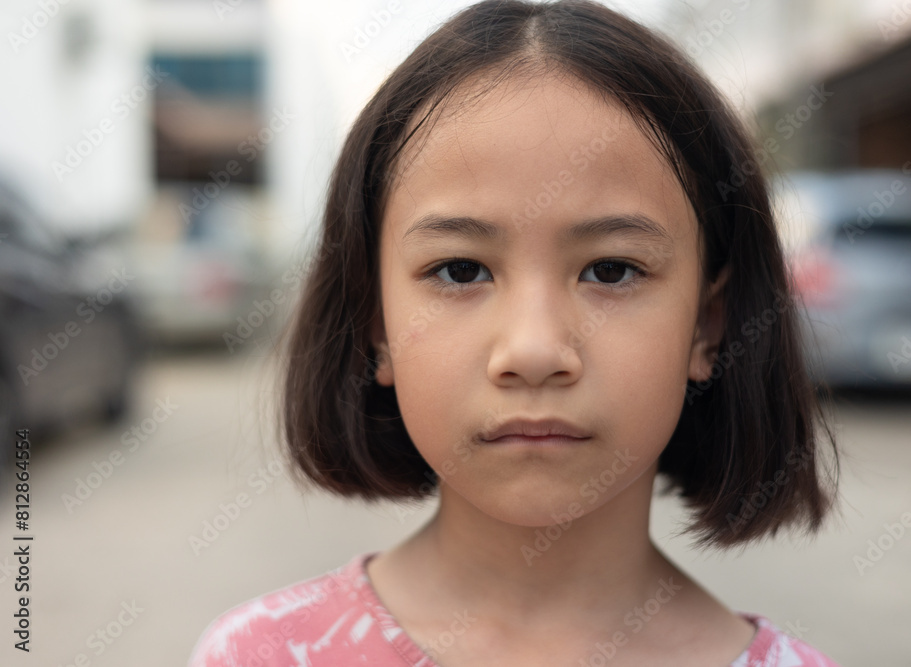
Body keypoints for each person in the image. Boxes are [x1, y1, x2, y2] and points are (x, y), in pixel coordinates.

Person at [188, 1, 842, 665]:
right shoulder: (260, 655)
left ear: (709, 323)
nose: (532, 351)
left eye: (612, 270)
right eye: (461, 269)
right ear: (374, 323)